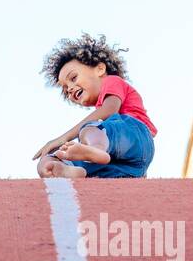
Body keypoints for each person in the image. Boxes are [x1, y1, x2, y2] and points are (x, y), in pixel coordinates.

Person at [32, 32, 157, 179]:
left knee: (90, 129)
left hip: (136, 133)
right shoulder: (103, 125)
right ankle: (67, 169)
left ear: (100, 69)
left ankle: (93, 151)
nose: (70, 89)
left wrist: (62, 139)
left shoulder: (112, 81)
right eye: (66, 90)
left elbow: (109, 110)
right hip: (132, 164)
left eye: (73, 78)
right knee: (54, 157)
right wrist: (53, 155)